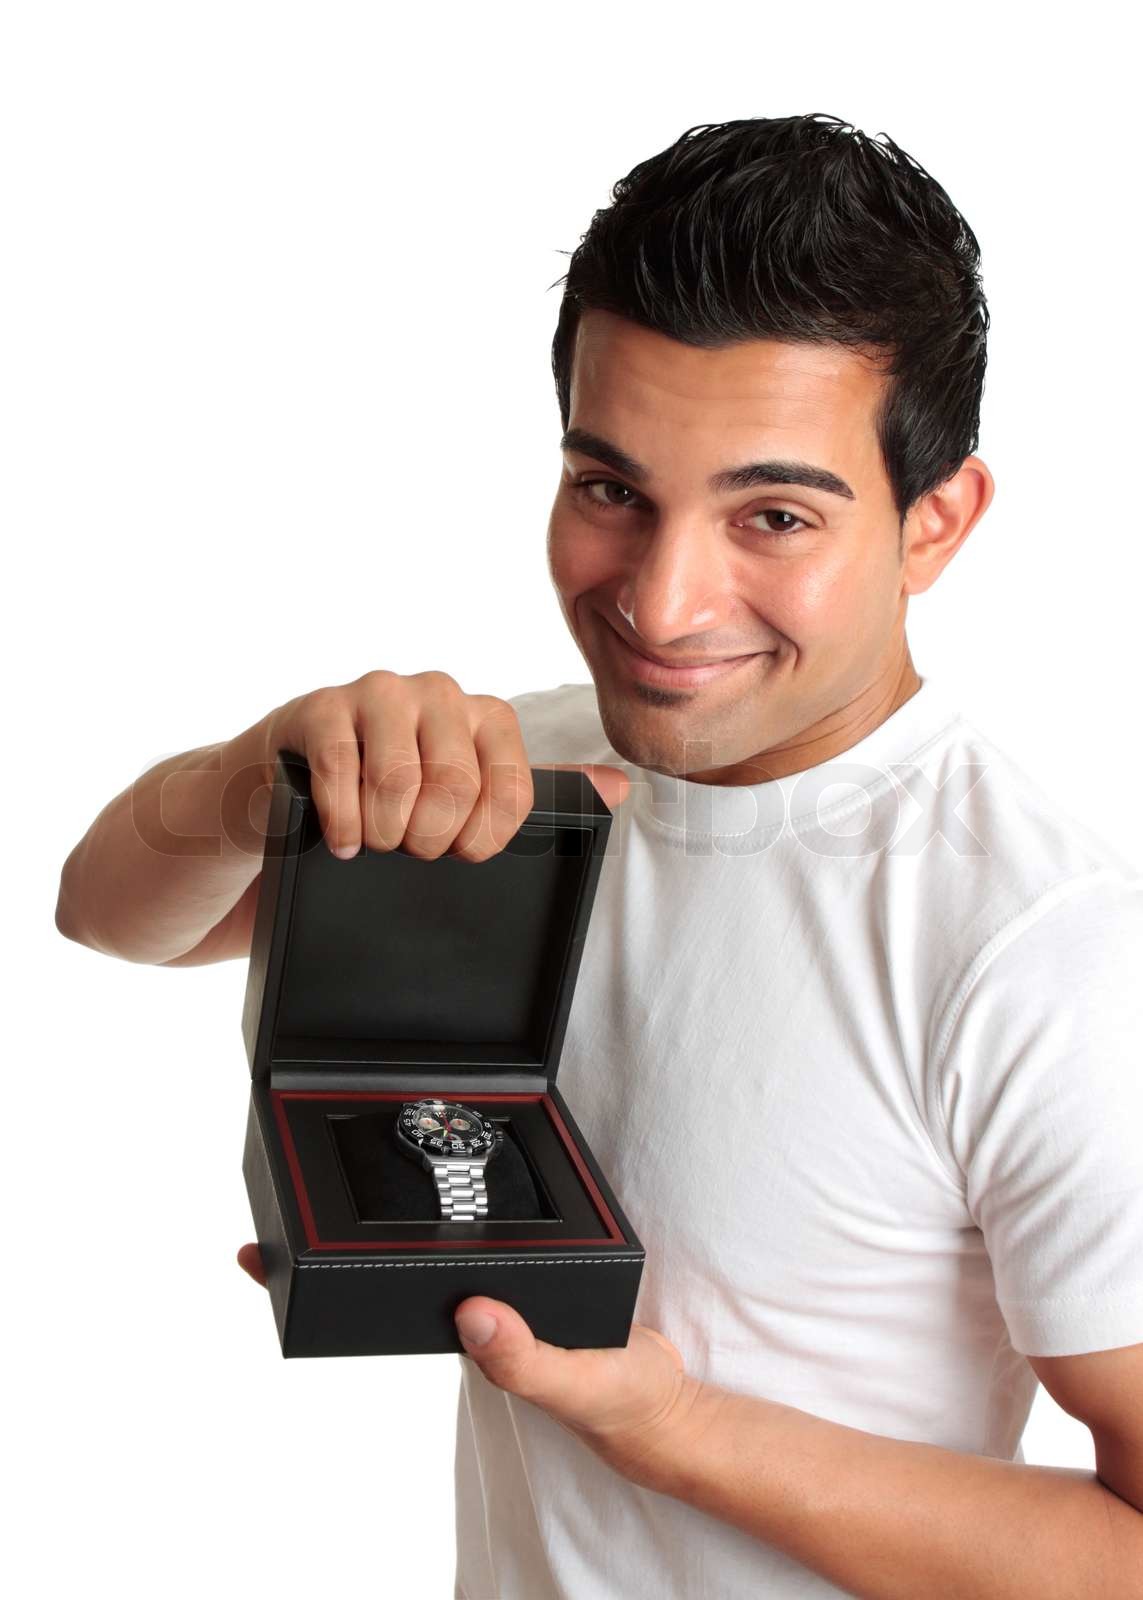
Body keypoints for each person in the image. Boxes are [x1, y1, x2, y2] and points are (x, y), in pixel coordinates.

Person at [56, 113, 1143, 1598]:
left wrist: (677, 1427)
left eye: (773, 515)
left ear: (935, 521)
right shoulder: (531, 770)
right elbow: (114, 915)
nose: (663, 600)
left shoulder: (1048, 941)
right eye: (610, 489)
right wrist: (267, 768)